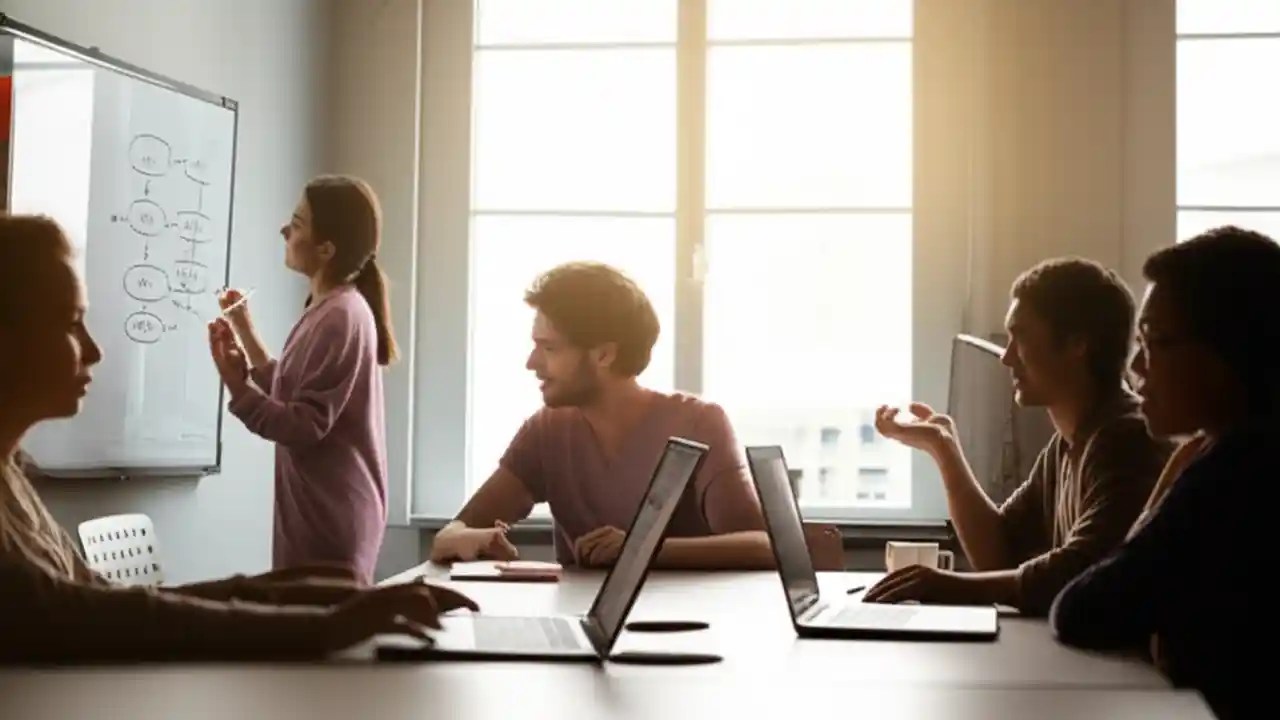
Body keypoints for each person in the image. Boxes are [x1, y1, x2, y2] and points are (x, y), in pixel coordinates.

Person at [0, 213, 475, 662]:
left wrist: (268, 594)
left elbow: (91, 599)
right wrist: (310, 621)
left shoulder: (12, 479)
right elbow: (72, 613)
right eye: (69, 323)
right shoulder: (334, 311)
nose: (95, 350)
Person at [1051, 226, 1278, 719]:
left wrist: (1169, 490)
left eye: (1154, 341)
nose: (1136, 366)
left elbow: (1083, 611)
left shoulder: (1236, 469)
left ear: (1229, 351)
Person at [865, 258, 1169, 614]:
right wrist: (943, 447)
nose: (1007, 358)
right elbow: (999, 552)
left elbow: (1087, 572)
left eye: (1020, 337)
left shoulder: (1126, 440)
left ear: (1076, 344)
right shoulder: (1067, 444)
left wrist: (950, 587)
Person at [429, 262, 772, 569]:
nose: (532, 363)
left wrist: (639, 550)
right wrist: (463, 539)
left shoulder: (698, 422)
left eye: (549, 348)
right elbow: (453, 533)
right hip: (583, 627)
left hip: (688, 627)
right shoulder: (546, 431)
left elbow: (762, 545)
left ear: (605, 355)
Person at [209, 175, 395, 584]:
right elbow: (295, 392)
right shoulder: (330, 308)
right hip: (322, 515)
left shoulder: (340, 315)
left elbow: (304, 424)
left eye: (297, 223)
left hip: (329, 522)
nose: (284, 230)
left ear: (326, 249)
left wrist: (237, 388)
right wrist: (243, 328)